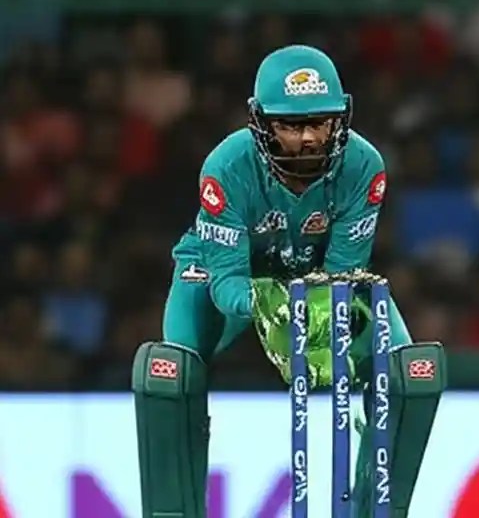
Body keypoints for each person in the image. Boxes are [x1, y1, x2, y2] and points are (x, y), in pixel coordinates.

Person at [131, 44, 443, 517]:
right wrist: (266, 301)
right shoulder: (226, 167)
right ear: (261, 122)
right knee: (171, 372)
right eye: (291, 125)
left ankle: (375, 511)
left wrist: (310, 302)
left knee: (411, 373)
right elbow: (227, 281)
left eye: (320, 122)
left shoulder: (364, 165)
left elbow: (342, 273)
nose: (309, 139)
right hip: (226, 271)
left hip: (315, 271)